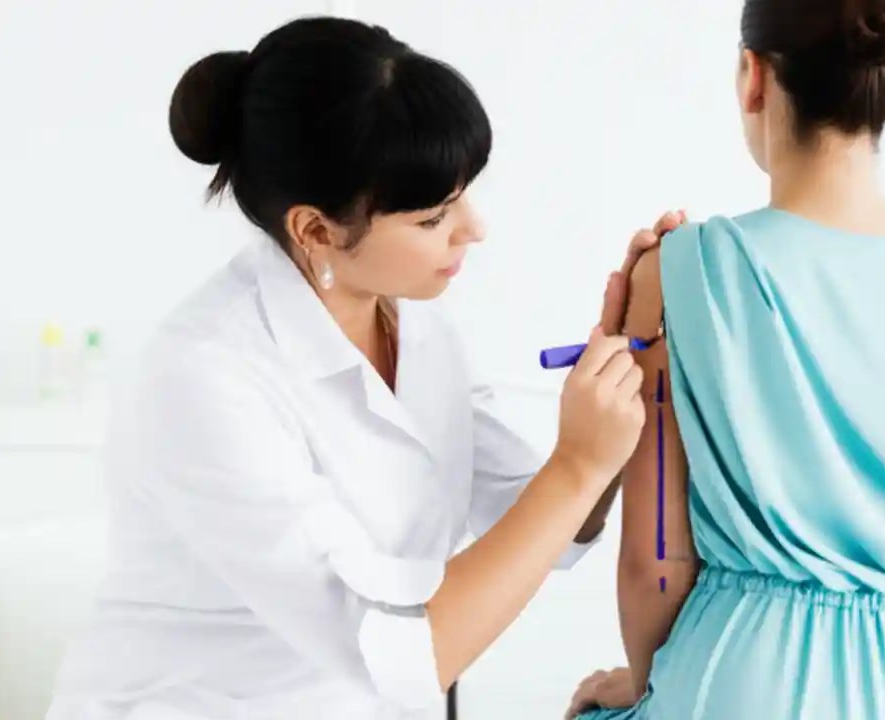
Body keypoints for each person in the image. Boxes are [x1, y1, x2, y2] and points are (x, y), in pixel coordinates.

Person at [46, 16, 683, 720]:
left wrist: (625, 363)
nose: (476, 227)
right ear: (315, 229)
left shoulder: (417, 325)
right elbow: (406, 659)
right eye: (434, 216)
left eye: (464, 192)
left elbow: (543, 525)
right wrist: (577, 466)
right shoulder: (205, 377)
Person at [567, 0, 885, 718]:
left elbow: (656, 563)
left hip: (739, 679)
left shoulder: (686, 268)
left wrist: (643, 689)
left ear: (753, 77)